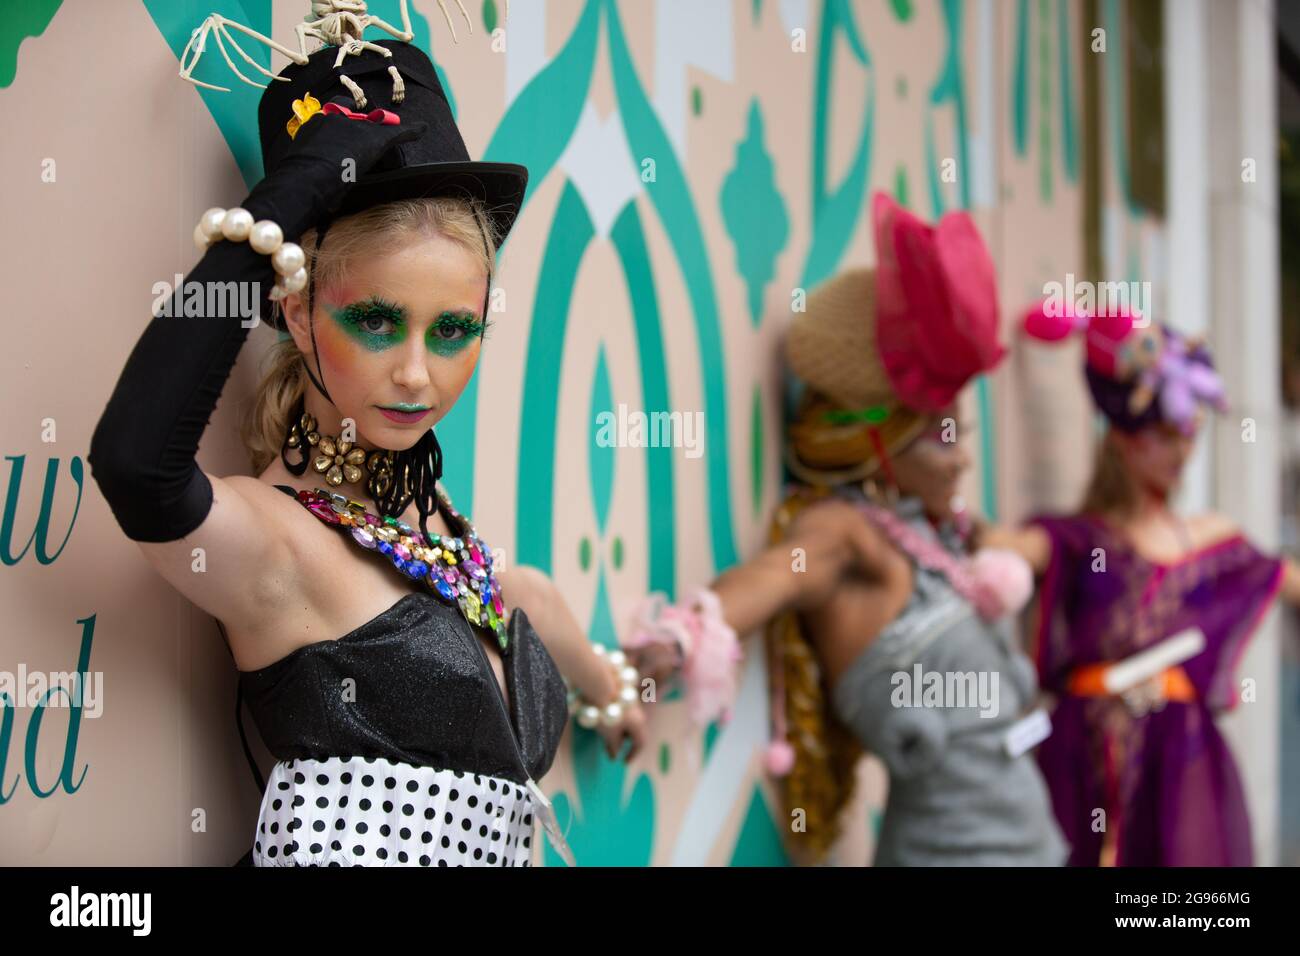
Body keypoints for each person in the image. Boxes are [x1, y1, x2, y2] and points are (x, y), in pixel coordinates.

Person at [89, 39, 642, 868]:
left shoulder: (441, 538)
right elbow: (136, 464)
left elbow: (519, 596)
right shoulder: (281, 547)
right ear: (298, 308)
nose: (418, 375)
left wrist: (616, 688)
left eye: (454, 329)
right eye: (376, 321)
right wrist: (273, 214)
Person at [625, 194, 1067, 866]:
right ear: (878, 443)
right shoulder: (849, 536)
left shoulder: (938, 539)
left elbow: (1040, 548)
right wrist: (678, 639)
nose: (963, 458)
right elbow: (772, 577)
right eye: (942, 440)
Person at [980, 305, 1300, 866]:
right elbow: (999, 547)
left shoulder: (1214, 541)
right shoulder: (1075, 539)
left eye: (1190, 435)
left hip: (1181, 767)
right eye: (1164, 435)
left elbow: (1290, 580)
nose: (1183, 452)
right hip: (1080, 761)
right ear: (1124, 439)